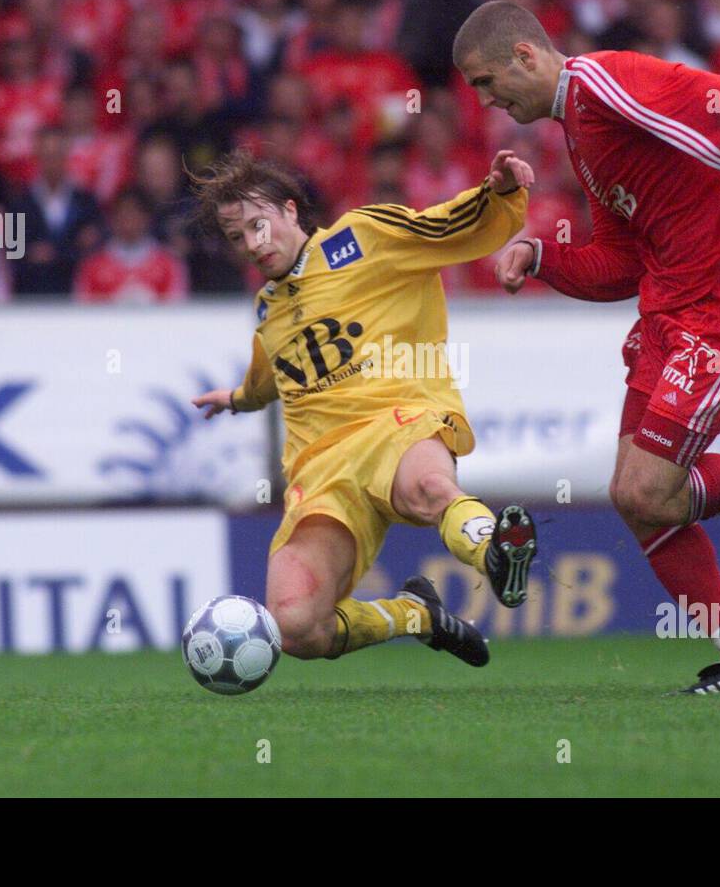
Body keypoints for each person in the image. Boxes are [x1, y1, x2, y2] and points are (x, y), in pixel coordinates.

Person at [453, 0, 720, 695]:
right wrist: (542, 257)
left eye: (486, 82)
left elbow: (712, 94)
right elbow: (622, 264)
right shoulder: (581, 131)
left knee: (652, 491)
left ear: (525, 56)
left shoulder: (599, 84)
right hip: (668, 314)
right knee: (634, 497)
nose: (486, 101)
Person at [189, 149, 539, 667]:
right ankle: (416, 615)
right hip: (321, 470)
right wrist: (237, 398)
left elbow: (448, 226)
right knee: (296, 627)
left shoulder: (362, 236)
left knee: (428, 488)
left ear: (290, 210)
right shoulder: (268, 309)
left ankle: (494, 552)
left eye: (258, 225)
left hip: (398, 419)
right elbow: (269, 378)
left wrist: (500, 194)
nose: (253, 244)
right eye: (237, 237)